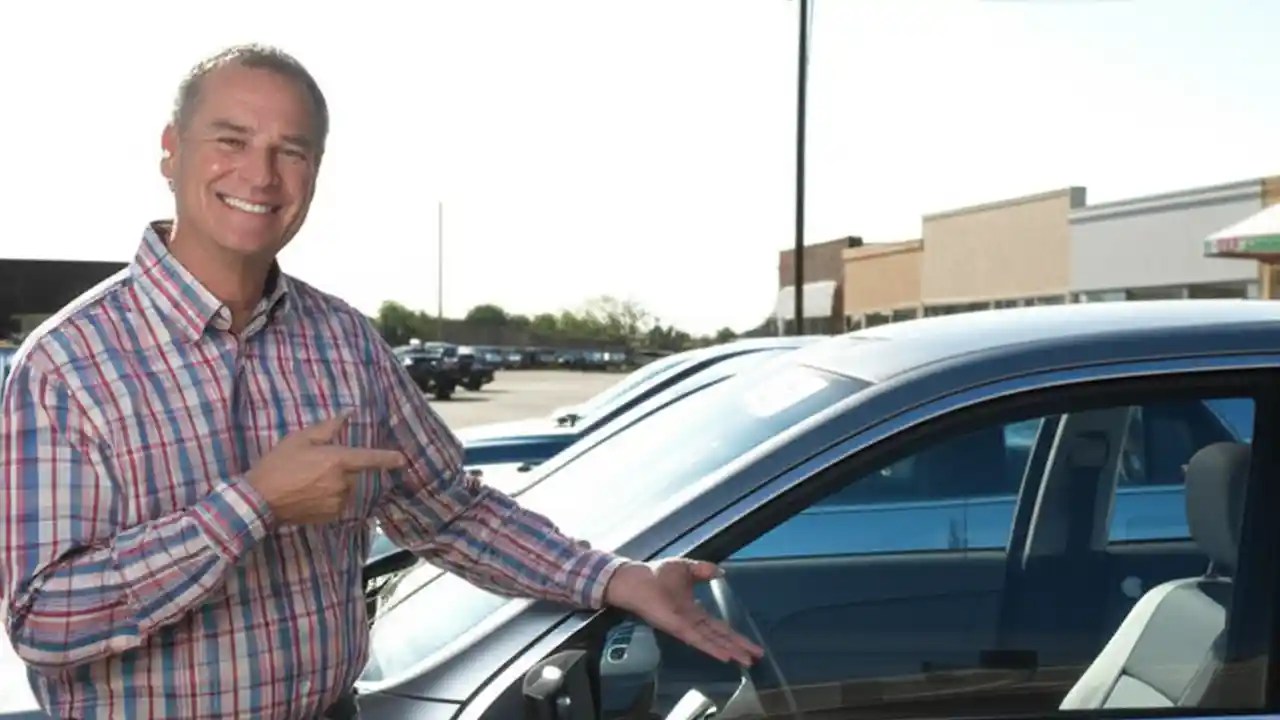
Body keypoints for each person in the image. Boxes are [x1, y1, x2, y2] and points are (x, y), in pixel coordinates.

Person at [0, 44, 762, 720]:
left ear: (315, 172)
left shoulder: (345, 343)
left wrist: (616, 579)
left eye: (291, 151)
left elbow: (450, 512)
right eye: (231, 140)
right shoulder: (68, 365)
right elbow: (45, 622)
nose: (261, 174)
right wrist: (253, 505)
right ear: (171, 150)